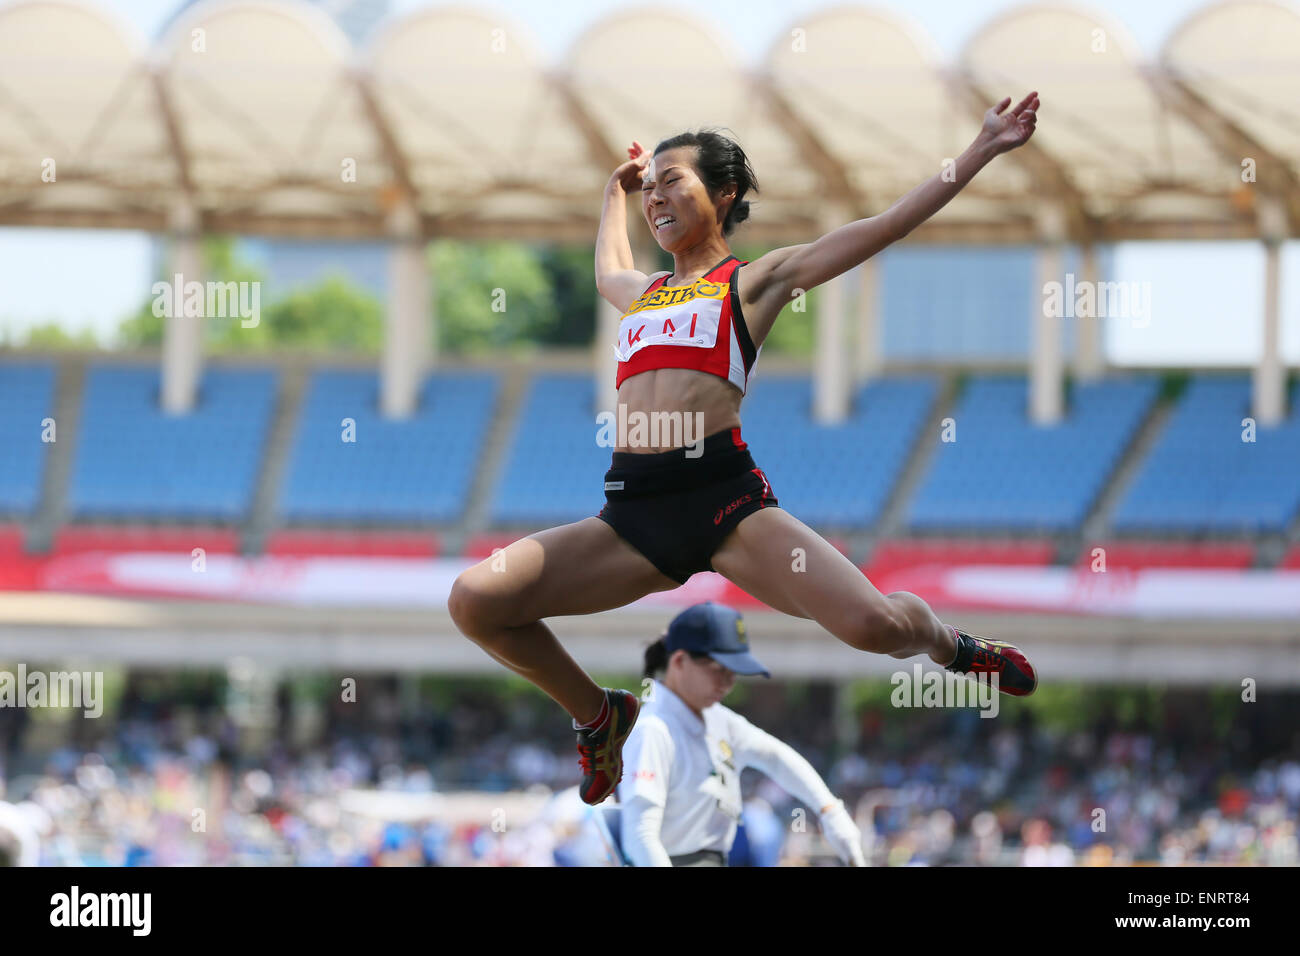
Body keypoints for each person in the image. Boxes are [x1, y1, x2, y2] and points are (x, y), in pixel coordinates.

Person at [449, 92, 1042, 806]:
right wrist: (613, 192)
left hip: (726, 506)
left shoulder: (755, 281)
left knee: (874, 626)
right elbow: (608, 268)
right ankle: (602, 717)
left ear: (724, 193)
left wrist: (980, 149)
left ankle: (952, 646)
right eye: (652, 184)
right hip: (632, 519)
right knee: (476, 601)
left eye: (676, 180)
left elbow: (884, 226)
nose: (657, 195)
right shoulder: (642, 295)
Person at [614, 602, 865, 867]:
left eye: (733, 672)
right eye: (718, 669)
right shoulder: (654, 730)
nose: (728, 683)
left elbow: (777, 758)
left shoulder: (718, 719)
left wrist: (830, 811)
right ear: (679, 661)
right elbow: (639, 837)